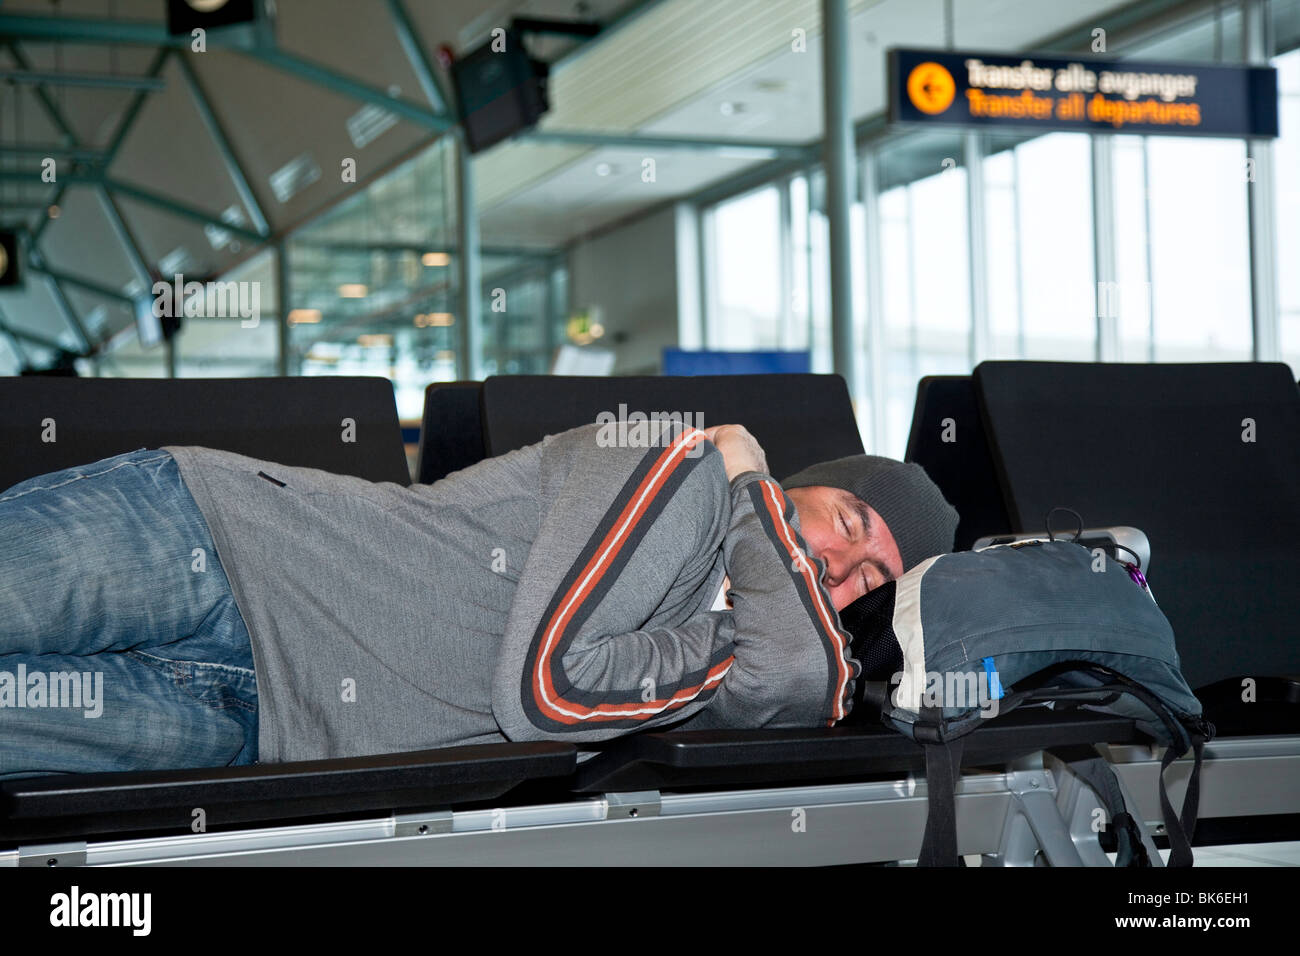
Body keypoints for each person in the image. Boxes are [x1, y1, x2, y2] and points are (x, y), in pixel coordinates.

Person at [0, 419, 957, 780]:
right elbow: (547, 691)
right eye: (845, 517)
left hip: (255, 721)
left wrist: (768, 545)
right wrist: (743, 484)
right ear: (802, 484)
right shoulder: (680, 474)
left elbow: (793, 670)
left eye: (873, 577)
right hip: (218, 542)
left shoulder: (721, 645)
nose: (840, 562)